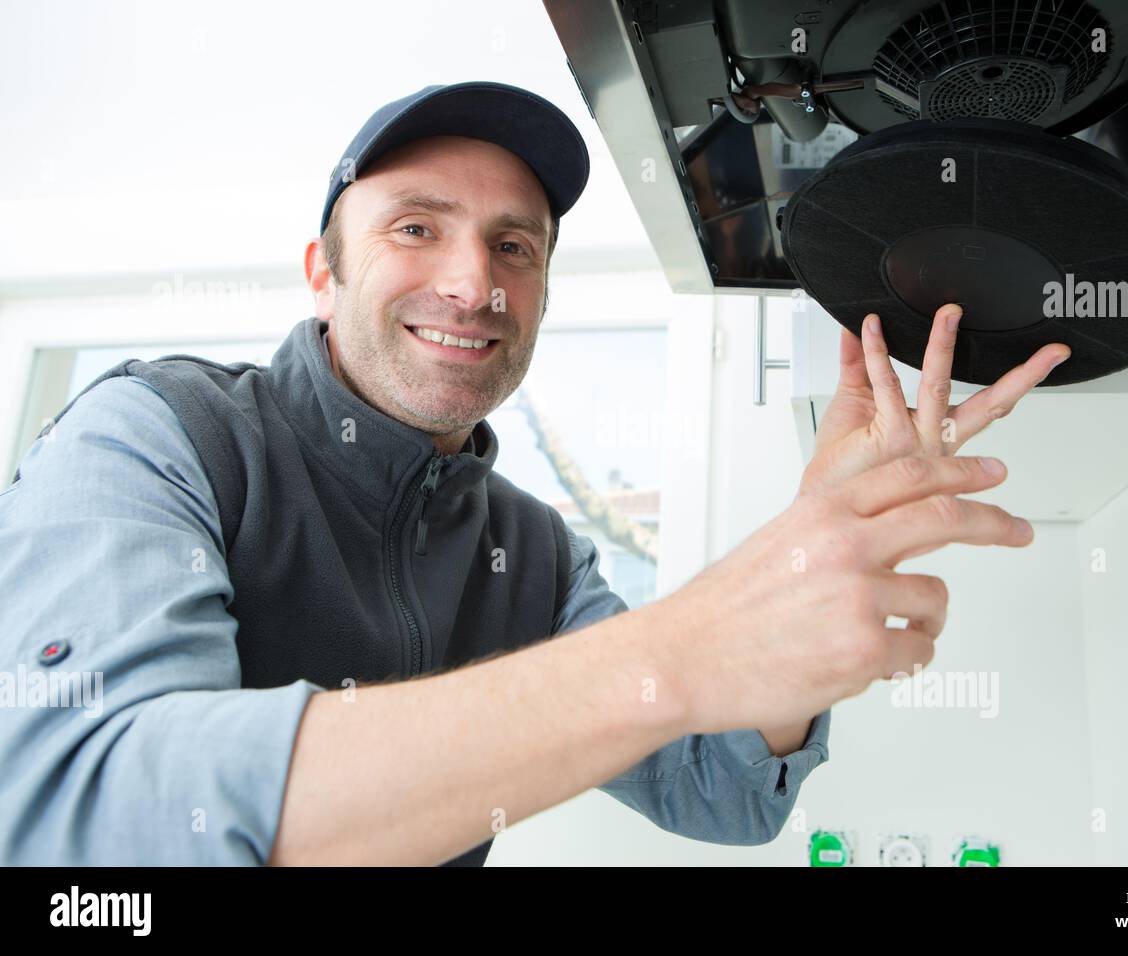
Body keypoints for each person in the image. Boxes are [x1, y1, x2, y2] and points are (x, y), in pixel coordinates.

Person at [0, 81, 1069, 866]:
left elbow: (719, 795)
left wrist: (816, 546)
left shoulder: (535, 552)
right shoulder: (156, 436)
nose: (473, 282)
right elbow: (85, 821)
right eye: (416, 228)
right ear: (324, 271)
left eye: (516, 247)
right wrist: (688, 639)